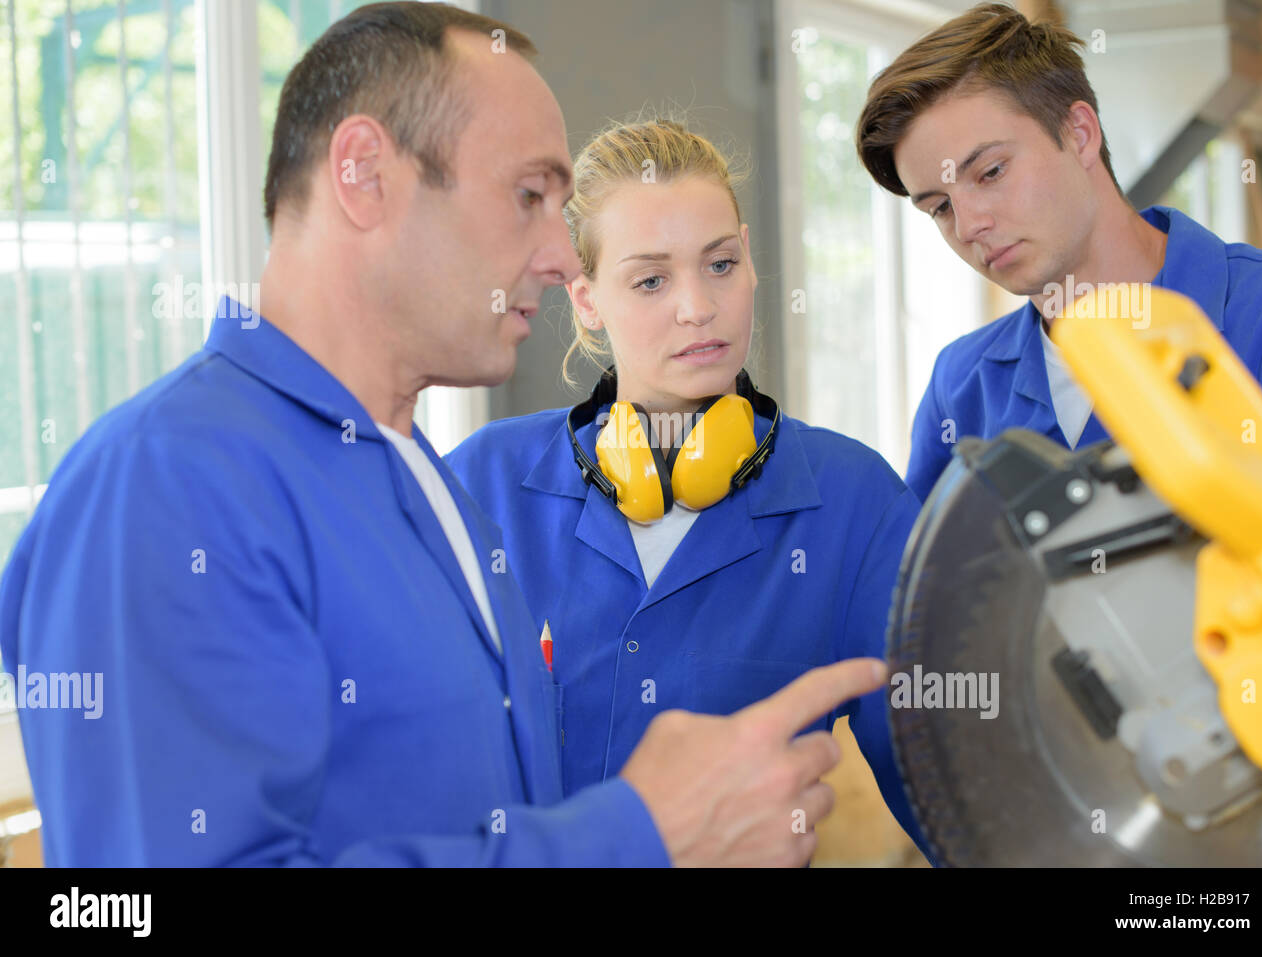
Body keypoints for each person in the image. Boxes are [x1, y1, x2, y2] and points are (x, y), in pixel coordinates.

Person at [0, 2, 885, 867]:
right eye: (528, 195)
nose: (559, 256)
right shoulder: (161, 484)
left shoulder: (429, 486)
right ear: (364, 175)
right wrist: (637, 837)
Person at [446, 118, 932, 860]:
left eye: (720, 264)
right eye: (650, 279)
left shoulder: (854, 503)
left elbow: (952, 789)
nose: (697, 307)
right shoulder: (484, 483)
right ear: (585, 300)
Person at [855, 2, 1262, 502]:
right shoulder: (961, 388)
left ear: (1080, 134)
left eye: (991, 172)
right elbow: (938, 576)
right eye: (939, 207)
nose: (970, 225)